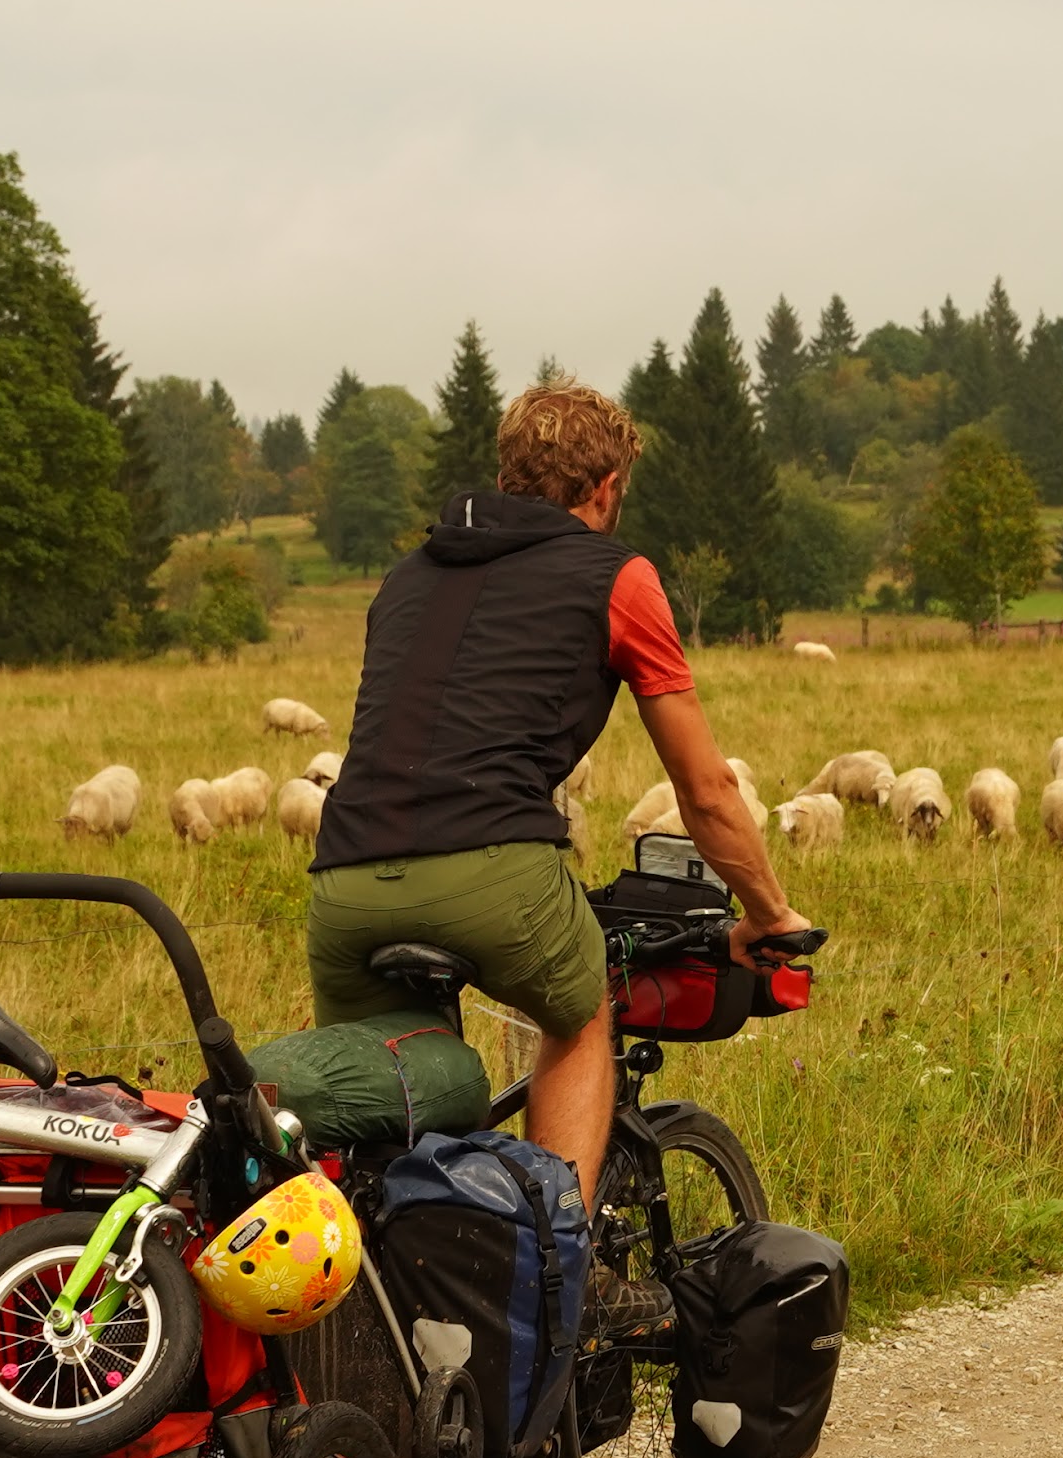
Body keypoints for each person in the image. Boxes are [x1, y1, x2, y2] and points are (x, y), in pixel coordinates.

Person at [306, 380, 803, 1199]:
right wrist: (770, 912)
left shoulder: (403, 576)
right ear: (606, 489)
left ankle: (401, 1292)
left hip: (345, 880)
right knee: (580, 1021)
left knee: (395, 1087)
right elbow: (707, 790)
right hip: (492, 872)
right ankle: (554, 1269)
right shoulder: (618, 576)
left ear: (507, 478)